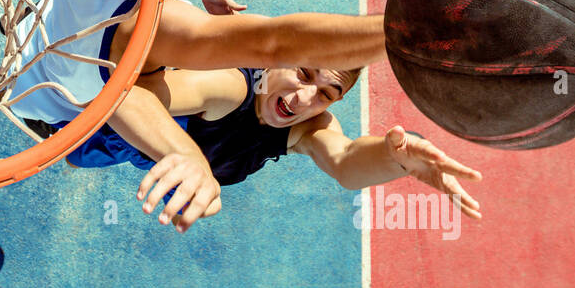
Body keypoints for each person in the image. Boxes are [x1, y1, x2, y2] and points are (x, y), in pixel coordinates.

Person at [6, 0, 392, 233]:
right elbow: (271, 43)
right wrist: (400, 34)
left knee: (52, 40)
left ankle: (19, 27)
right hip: (39, 97)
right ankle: (19, 67)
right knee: (85, 144)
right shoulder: (145, 27)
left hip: (50, 27)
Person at [72, 65, 483, 223]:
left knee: (79, 158)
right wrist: (192, 160)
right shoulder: (230, 86)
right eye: (304, 73)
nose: (305, 98)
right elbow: (122, 96)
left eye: (326, 93)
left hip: (138, 152)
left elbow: (345, 162)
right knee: (59, 137)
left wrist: (399, 160)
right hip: (92, 118)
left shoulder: (309, 124)